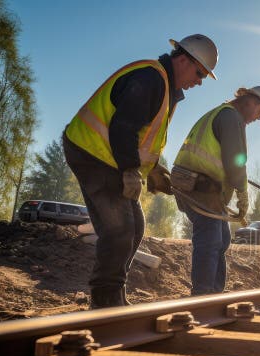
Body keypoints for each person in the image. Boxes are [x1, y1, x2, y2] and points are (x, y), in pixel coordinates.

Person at [63, 34, 218, 308]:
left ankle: (114, 294)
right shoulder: (151, 79)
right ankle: (105, 300)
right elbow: (123, 127)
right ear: (183, 59)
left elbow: (142, 134)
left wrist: (154, 168)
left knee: (136, 228)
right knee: (119, 229)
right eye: (199, 73)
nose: (199, 81)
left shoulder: (164, 86)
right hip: (93, 153)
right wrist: (131, 171)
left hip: (109, 156)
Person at [173, 86, 260, 295]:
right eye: (259, 112)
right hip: (201, 186)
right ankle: (203, 294)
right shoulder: (231, 117)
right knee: (210, 239)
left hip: (197, 184)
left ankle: (214, 291)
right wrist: (242, 192)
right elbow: (235, 161)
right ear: (251, 102)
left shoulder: (223, 113)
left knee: (222, 238)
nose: (258, 118)